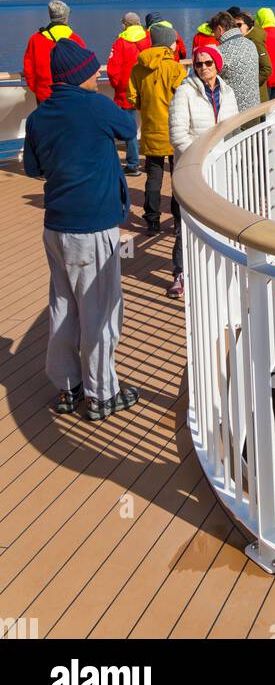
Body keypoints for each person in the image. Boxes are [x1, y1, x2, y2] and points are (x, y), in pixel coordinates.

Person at [23, 38, 139, 422]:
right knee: (100, 312)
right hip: (92, 227)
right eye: (93, 70)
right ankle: (102, 394)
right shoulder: (94, 105)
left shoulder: (40, 115)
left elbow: (33, 168)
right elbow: (127, 127)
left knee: (63, 306)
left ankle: (67, 387)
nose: (99, 73)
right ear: (79, 75)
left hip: (56, 224)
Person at [167, 44, 239, 299]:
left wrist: (229, 157)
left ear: (217, 65)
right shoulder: (184, 93)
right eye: (198, 64)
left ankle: (219, 269)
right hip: (193, 170)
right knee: (186, 224)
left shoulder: (228, 92)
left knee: (220, 220)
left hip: (223, 168)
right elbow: (177, 135)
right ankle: (181, 273)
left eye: (208, 63)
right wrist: (201, 157)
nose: (203, 68)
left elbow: (233, 129)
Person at [128, 27, 187, 261]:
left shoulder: (138, 68)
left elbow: (132, 97)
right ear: (169, 44)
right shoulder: (175, 68)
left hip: (151, 128)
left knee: (153, 177)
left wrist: (146, 108)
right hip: (173, 130)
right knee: (177, 178)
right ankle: (177, 220)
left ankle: (151, 221)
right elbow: (183, 96)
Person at [105, 11, 150, 177]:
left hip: (126, 91)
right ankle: (152, 162)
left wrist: (118, 87)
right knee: (150, 125)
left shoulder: (120, 43)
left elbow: (113, 69)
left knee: (129, 128)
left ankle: (133, 164)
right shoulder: (149, 39)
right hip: (147, 88)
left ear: (124, 24)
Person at [22, 0, 85, 103]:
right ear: (66, 17)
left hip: (44, 96)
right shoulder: (76, 40)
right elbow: (84, 69)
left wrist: (37, 89)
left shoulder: (35, 39)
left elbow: (28, 69)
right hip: (70, 96)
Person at [209, 10, 260, 112]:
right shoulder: (250, 44)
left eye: (214, 32)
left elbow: (209, 79)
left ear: (220, 29)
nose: (214, 36)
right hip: (254, 108)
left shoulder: (221, 51)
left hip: (235, 113)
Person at [231, 10, 273, 102]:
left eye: (239, 25)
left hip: (257, 96)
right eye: (233, 26)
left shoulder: (254, 41)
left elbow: (266, 69)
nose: (236, 28)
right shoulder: (241, 40)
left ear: (248, 25)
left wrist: (250, 84)